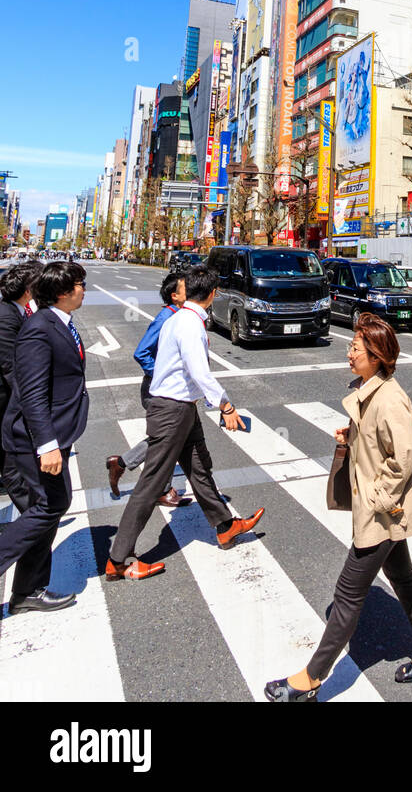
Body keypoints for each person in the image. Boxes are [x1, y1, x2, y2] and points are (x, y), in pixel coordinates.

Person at [265, 315, 412, 701]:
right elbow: (384, 446)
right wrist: (354, 437)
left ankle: (311, 678)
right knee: (403, 575)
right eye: (351, 347)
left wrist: (377, 499)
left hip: (386, 510)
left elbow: (406, 457)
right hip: (388, 508)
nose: (349, 354)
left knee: (347, 592)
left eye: (356, 349)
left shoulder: (389, 399)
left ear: (377, 357)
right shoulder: (370, 390)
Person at [106, 265, 264, 580]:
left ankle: (225, 526)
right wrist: (226, 405)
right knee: (151, 484)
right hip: (172, 410)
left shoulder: (177, 318)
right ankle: (119, 559)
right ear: (212, 294)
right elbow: (199, 372)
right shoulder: (190, 324)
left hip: (181, 407)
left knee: (199, 468)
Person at [0, 261, 90, 614]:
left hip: (55, 433)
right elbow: (32, 394)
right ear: (63, 292)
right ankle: (23, 585)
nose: (84, 289)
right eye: (80, 284)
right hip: (35, 439)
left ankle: (28, 591)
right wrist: (47, 445)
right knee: (48, 506)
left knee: (51, 507)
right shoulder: (40, 328)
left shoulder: (57, 322)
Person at [105, 272, 189, 506]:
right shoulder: (166, 318)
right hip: (157, 388)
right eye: (186, 289)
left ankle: (122, 465)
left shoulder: (180, 316)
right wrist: (161, 374)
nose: (190, 291)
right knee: (168, 438)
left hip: (170, 388)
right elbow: (141, 352)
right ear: (175, 296)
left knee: (170, 437)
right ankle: (156, 486)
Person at [0, 261, 42, 513]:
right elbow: (10, 368)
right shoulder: (6, 317)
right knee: (11, 465)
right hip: (5, 402)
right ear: (29, 290)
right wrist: (31, 407)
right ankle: (33, 517)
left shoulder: (18, 311)